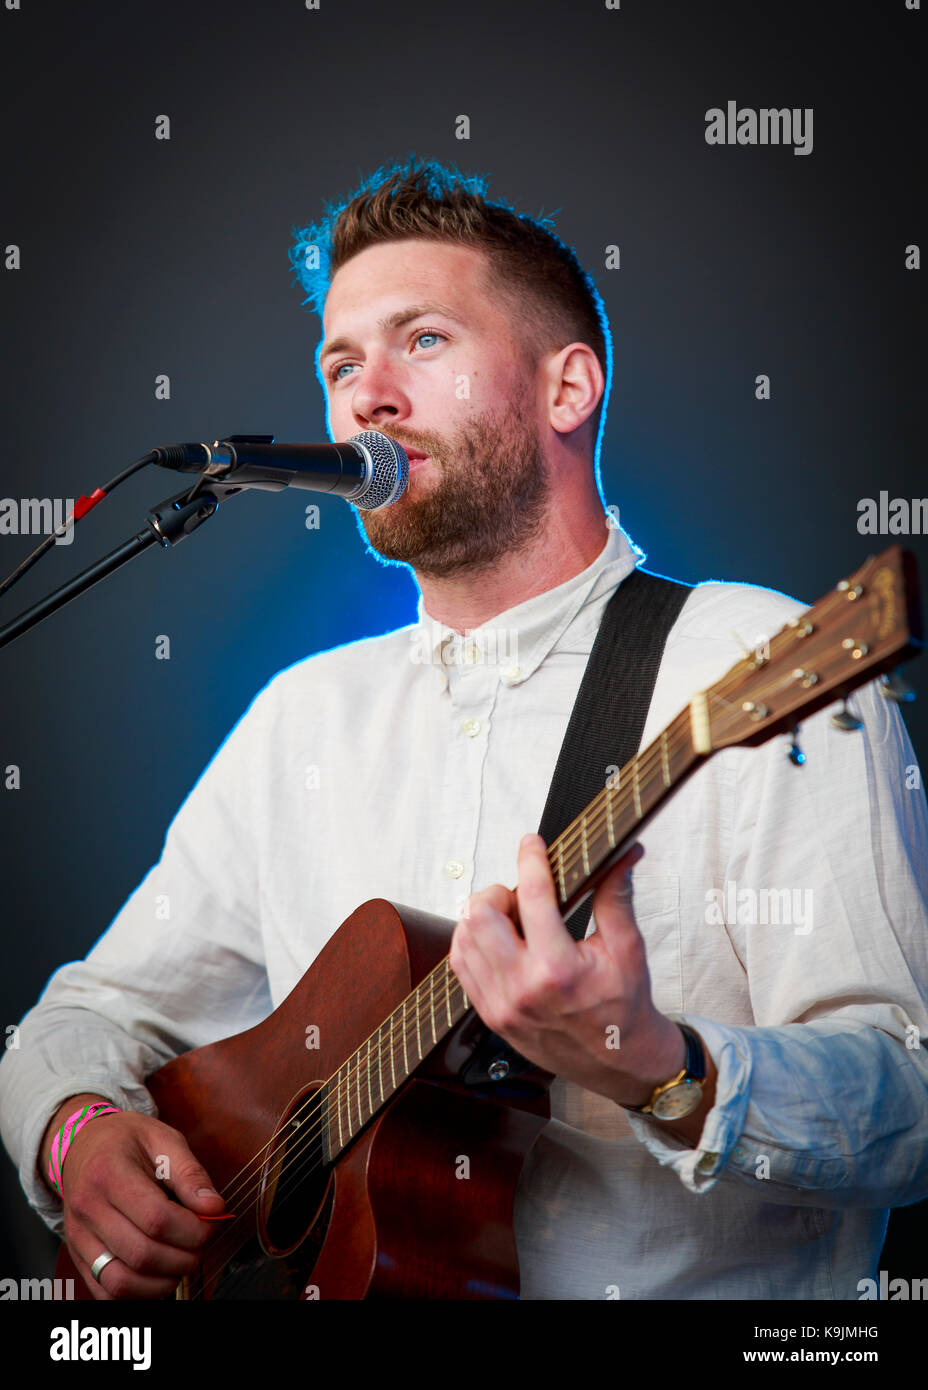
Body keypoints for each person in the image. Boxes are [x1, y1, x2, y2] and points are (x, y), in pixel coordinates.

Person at [1, 159, 927, 1302]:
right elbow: (91, 1012)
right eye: (341, 364)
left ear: (567, 387)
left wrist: (665, 1069)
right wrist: (79, 1131)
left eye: (422, 341)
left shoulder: (749, 662)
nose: (365, 397)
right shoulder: (306, 713)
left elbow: (909, 1096)